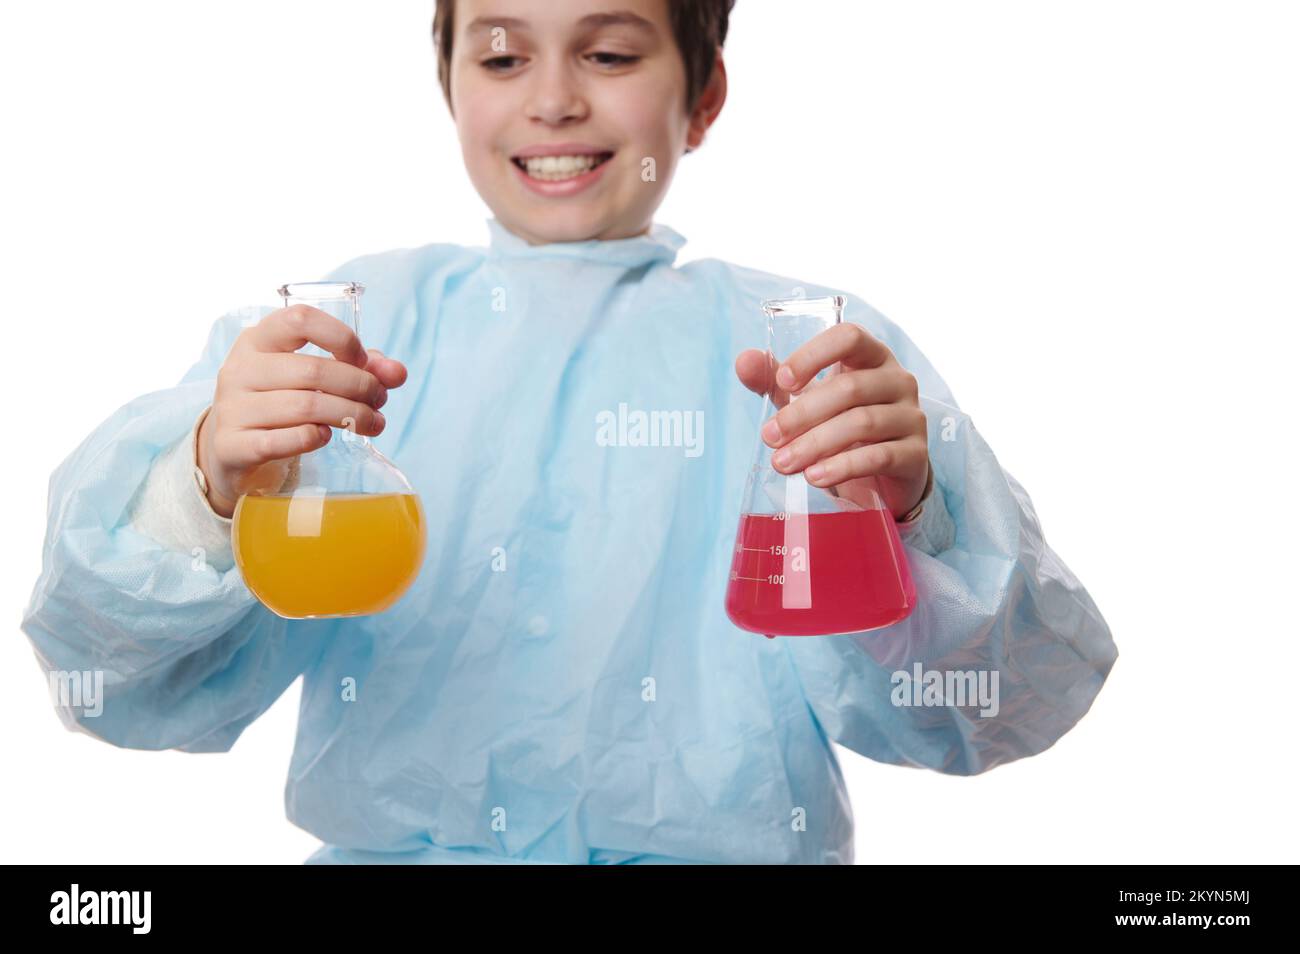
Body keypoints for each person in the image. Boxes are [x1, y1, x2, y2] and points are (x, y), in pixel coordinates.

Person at [20, 0, 1118, 864]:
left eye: (609, 54)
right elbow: (117, 686)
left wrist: (913, 507)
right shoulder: (332, 349)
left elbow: (1004, 708)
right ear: (446, 84)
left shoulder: (813, 362)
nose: (552, 101)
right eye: (500, 58)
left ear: (703, 96)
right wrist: (206, 491)